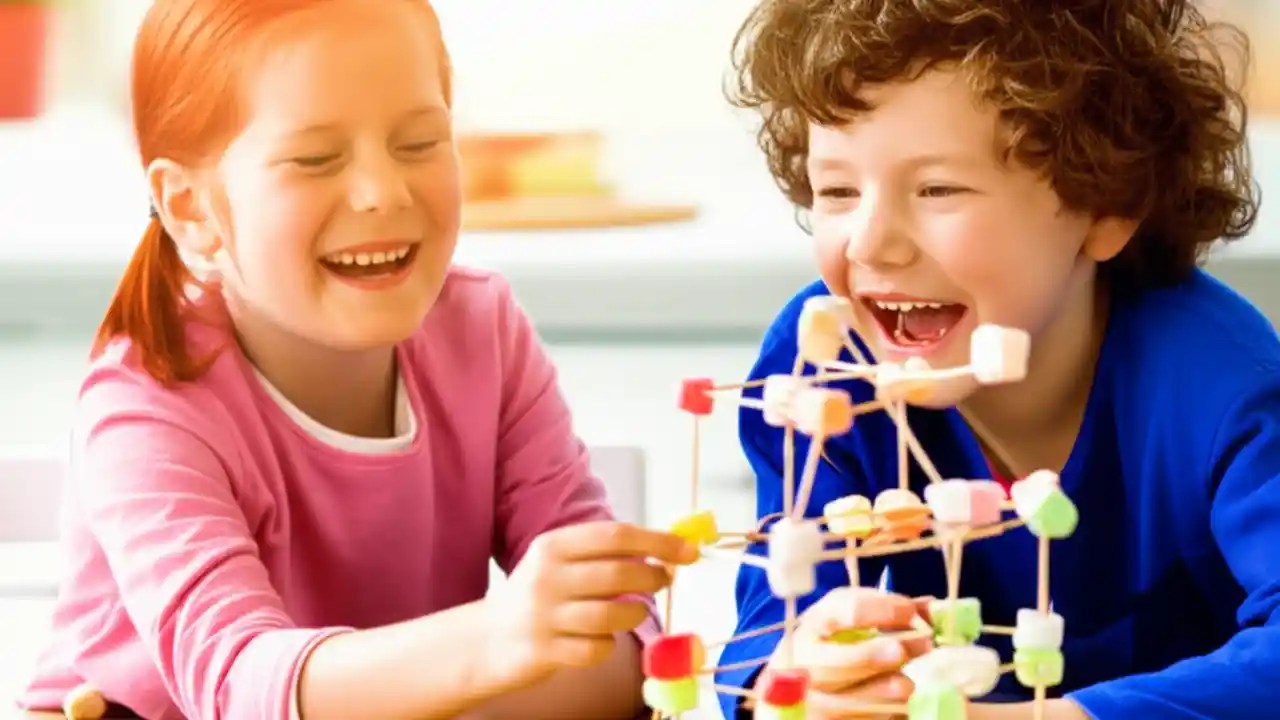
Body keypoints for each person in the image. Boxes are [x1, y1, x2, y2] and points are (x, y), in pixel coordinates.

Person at [15, 1, 697, 718]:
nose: (383, 193)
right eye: (315, 159)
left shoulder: (484, 333)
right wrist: (496, 643)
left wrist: (537, 650)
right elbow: (242, 689)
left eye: (420, 143)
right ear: (189, 208)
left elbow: (623, 644)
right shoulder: (147, 410)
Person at [714, 1, 1276, 719]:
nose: (868, 244)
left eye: (937, 189)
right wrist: (796, 672)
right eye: (839, 192)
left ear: (1107, 207)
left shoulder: (1224, 387)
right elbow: (768, 626)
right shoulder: (819, 366)